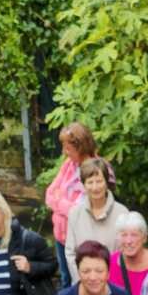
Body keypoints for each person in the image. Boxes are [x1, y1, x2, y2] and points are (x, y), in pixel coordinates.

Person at [44, 121, 109, 285]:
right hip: (61, 236)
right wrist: (64, 204)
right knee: (65, 280)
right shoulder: (69, 165)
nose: (64, 152)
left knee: (83, 280)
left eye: (68, 148)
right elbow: (49, 194)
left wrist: (60, 202)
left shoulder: (97, 169)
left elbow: (82, 210)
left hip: (83, 239)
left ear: (80, 147)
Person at [65, 158, 131, 277]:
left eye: (99, 181)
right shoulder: (74, 214)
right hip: (84, 283)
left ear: (106, 182)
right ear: (83, 184)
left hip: (114, 282)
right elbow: (70, 253)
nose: (95, 187)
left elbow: (126, 252)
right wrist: (82, 279)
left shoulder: (122, 213)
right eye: (90, 182)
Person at [108, 211, 148, 295]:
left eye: (134, 235)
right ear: (117, 238)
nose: (128, 241)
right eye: (124, 235)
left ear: (144, 238)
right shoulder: (109, 263)